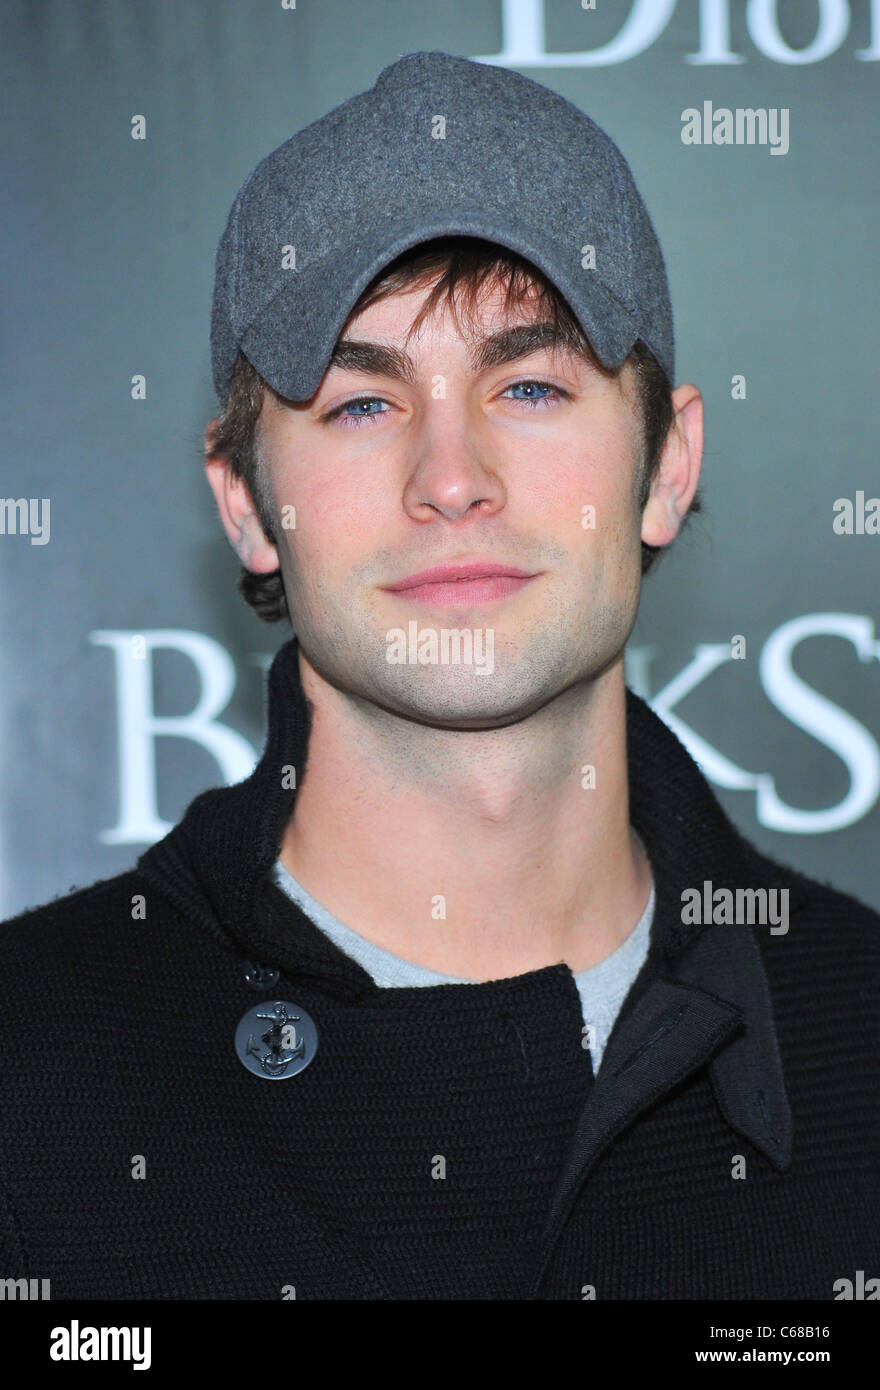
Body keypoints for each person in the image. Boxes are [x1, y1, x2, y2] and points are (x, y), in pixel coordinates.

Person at [1, 50, 877, 1302]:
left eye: (527, 383)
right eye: (361, 403)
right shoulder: (29, 1075)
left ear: (668, 467)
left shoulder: (858, 1028)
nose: (450, 476)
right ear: (247, 502)